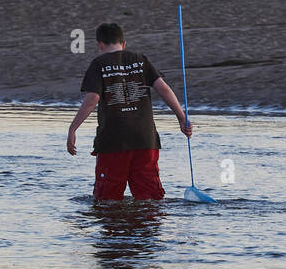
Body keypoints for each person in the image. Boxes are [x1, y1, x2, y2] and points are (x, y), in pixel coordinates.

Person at [66, 22, 192, 201]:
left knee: (107, 199)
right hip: (145, 138)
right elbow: (163, 89)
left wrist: (73, 129)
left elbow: (92, 99)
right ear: (123, 43)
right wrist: (182, 117)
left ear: (99, 45)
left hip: (114, 140)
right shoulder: (141, 59)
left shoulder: (99, 64)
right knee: (150, 197)